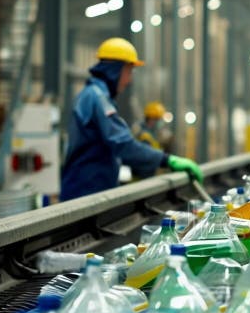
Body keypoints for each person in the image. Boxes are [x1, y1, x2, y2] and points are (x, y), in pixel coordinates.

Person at [60, 38, 202, 201]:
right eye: (129, 71)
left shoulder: (93, 95)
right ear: (114, 70)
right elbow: (123, 144)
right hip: (84, 193)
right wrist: (167, 160)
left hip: (88, 191)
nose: (129, 80)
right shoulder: (97, 98)